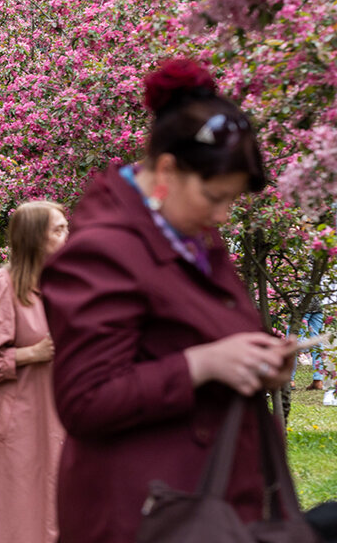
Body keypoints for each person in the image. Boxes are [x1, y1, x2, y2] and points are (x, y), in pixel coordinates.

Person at [41, 58, 292, 543]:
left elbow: (205, 331)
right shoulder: (101, 250)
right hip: (145, 513)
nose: (221, 215)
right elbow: (84, 400)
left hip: (206, 503)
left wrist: (259, 358)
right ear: (168, 169)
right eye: (214, 196)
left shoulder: (194, 236)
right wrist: (202, 363)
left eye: (232, 201)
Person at [0, 201, 69, 543]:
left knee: (58, 511)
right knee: (14, 516)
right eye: (58, 229)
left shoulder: (64, 286)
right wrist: (30, 353)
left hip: (59, 418)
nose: (68, 235)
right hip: (15, 423)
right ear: (35, 237)